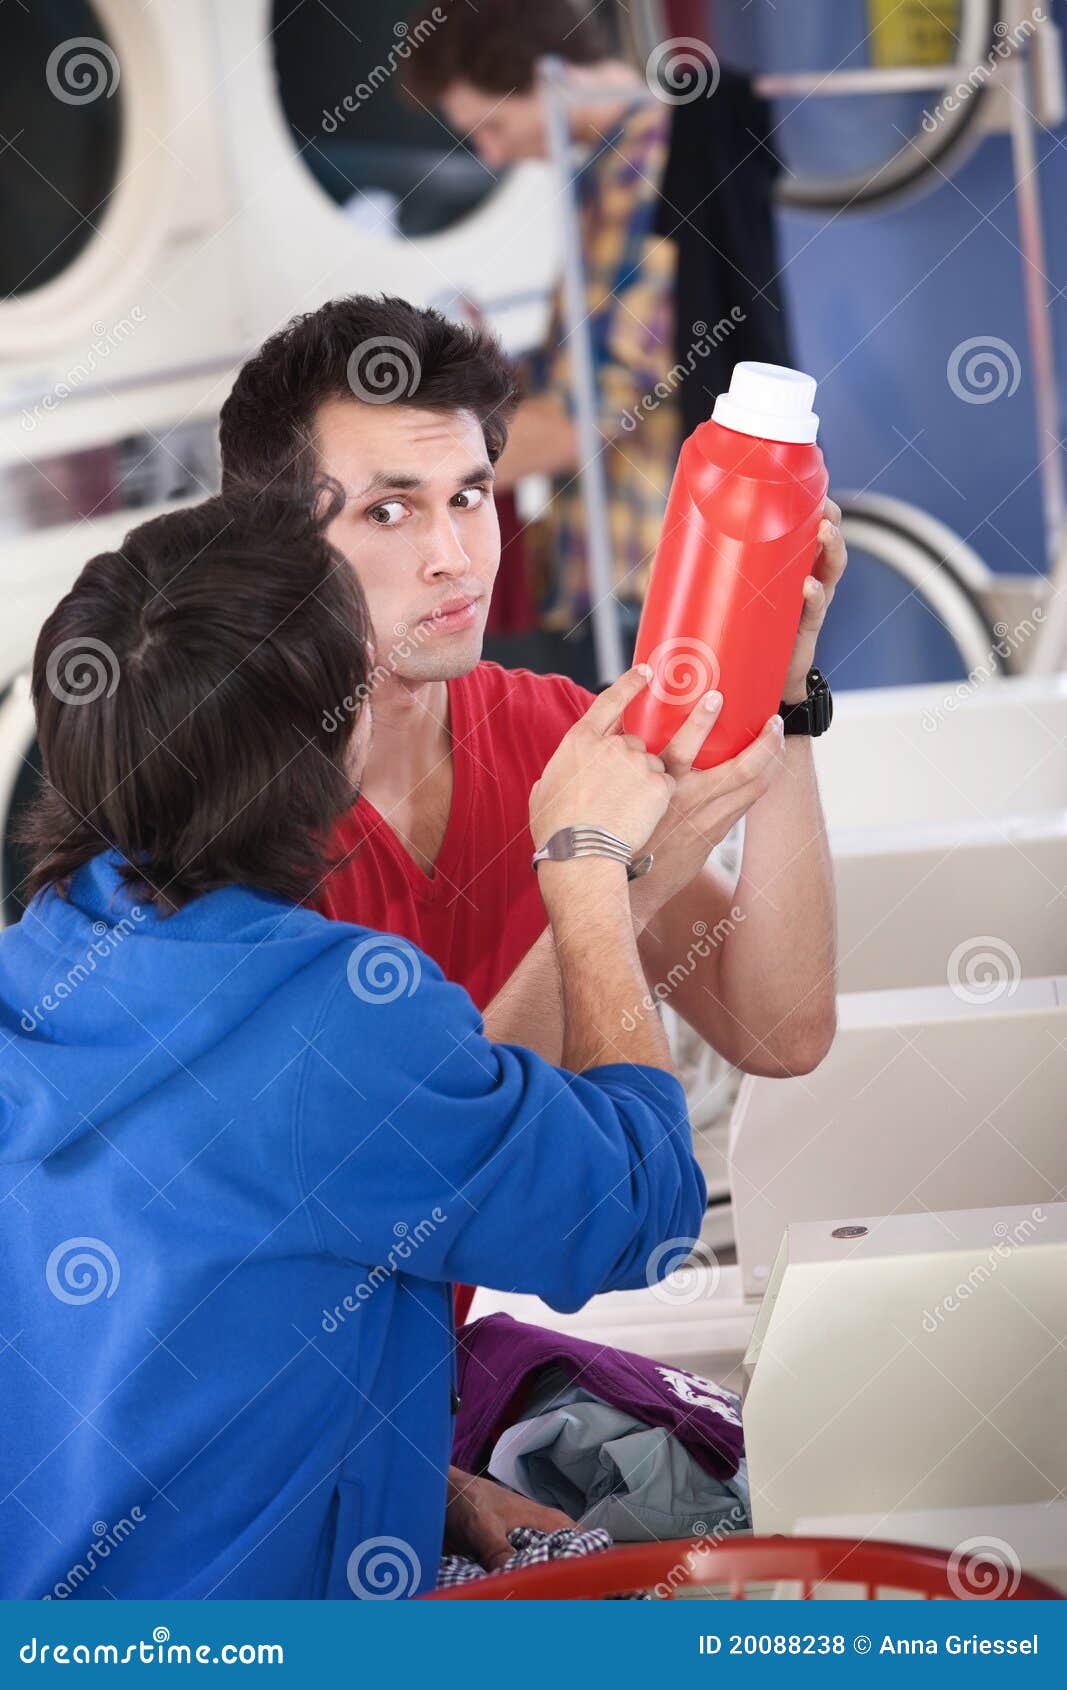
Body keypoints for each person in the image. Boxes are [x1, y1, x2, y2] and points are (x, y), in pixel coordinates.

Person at [218, 294, 844, 1565]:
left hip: (423, 1387)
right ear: (274, 546)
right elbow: (410, 1186)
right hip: (256, 1437)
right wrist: (603, 881)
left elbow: (781, 1027)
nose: (455, 554)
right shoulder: (228, 828)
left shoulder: (552, 737)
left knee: (795, 1502)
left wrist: (779, 709)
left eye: (471, 494)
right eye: (388, 510)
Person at [0, 490, 704, 1599]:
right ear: (335, 745)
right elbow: (641, 1207)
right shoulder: (332, 1016)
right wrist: (587, 873)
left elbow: (146, 1375)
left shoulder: (29, 981)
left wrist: (417, 1477)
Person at [403, 0, 676, 633]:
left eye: (490, 126)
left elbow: (593, 410)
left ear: (547, 76)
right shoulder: (613, 167)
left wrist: (400, 489)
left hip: (643, 573)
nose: (493, 155)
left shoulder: (646, 167)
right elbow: (593, 366)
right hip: (615, 568)